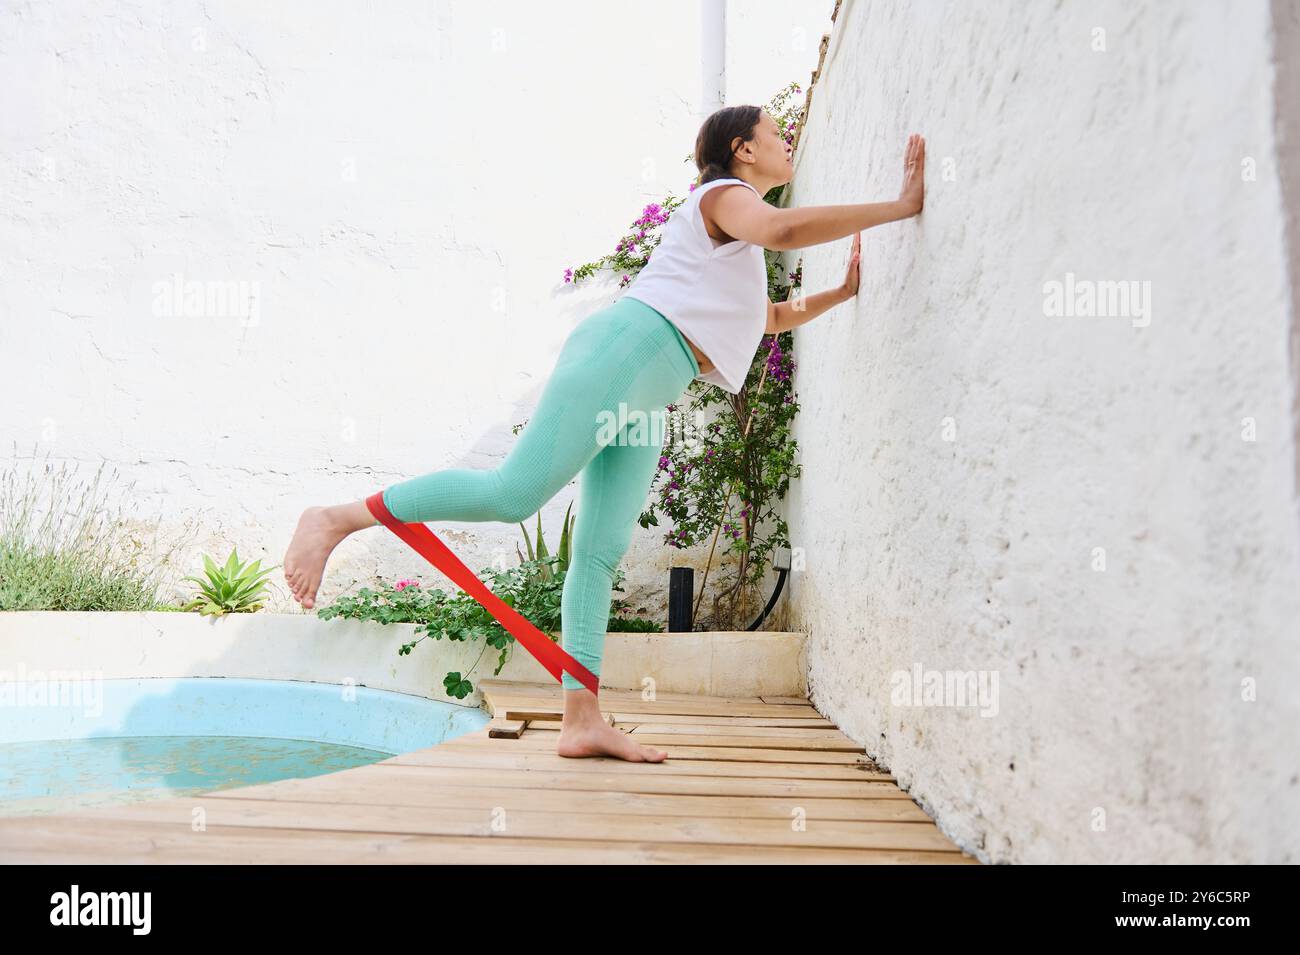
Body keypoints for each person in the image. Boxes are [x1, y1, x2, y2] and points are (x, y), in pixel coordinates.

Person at [284, 105, 926, 762]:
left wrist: (842, 294)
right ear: (743, 149)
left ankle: (581, 719)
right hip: (630, 351)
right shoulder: (725, 197)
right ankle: (336, 517)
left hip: (653, 381)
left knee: (597, 550)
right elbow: (786, 228)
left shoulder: (734, 245)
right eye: (776, 133)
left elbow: (767, 317)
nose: (786, 140)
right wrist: (899, 206)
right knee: (513, 493)